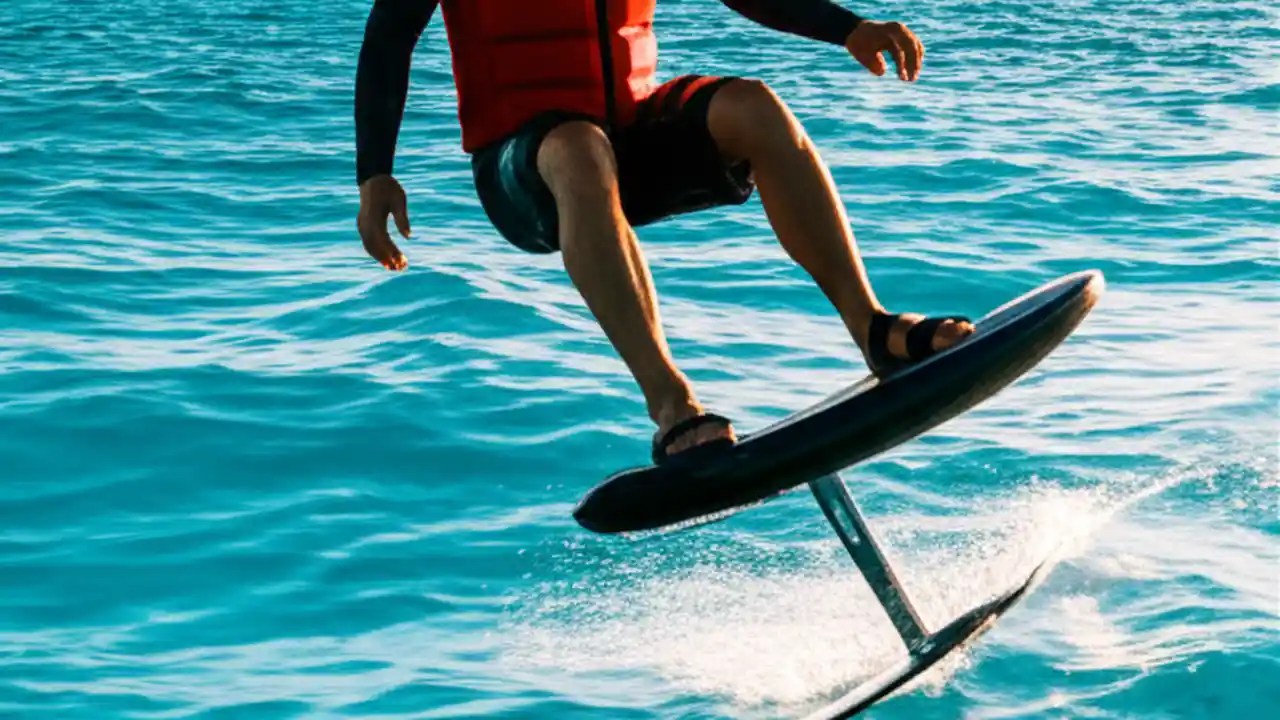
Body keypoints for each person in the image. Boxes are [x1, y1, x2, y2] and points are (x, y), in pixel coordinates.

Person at [354, 0, 973, 465]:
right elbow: (389, 35)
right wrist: (375, 173)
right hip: (522, 166)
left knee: (755, 107)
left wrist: (846, 27)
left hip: (627, 137)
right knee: (578, 148)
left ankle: (872, 328)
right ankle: (672, 405)